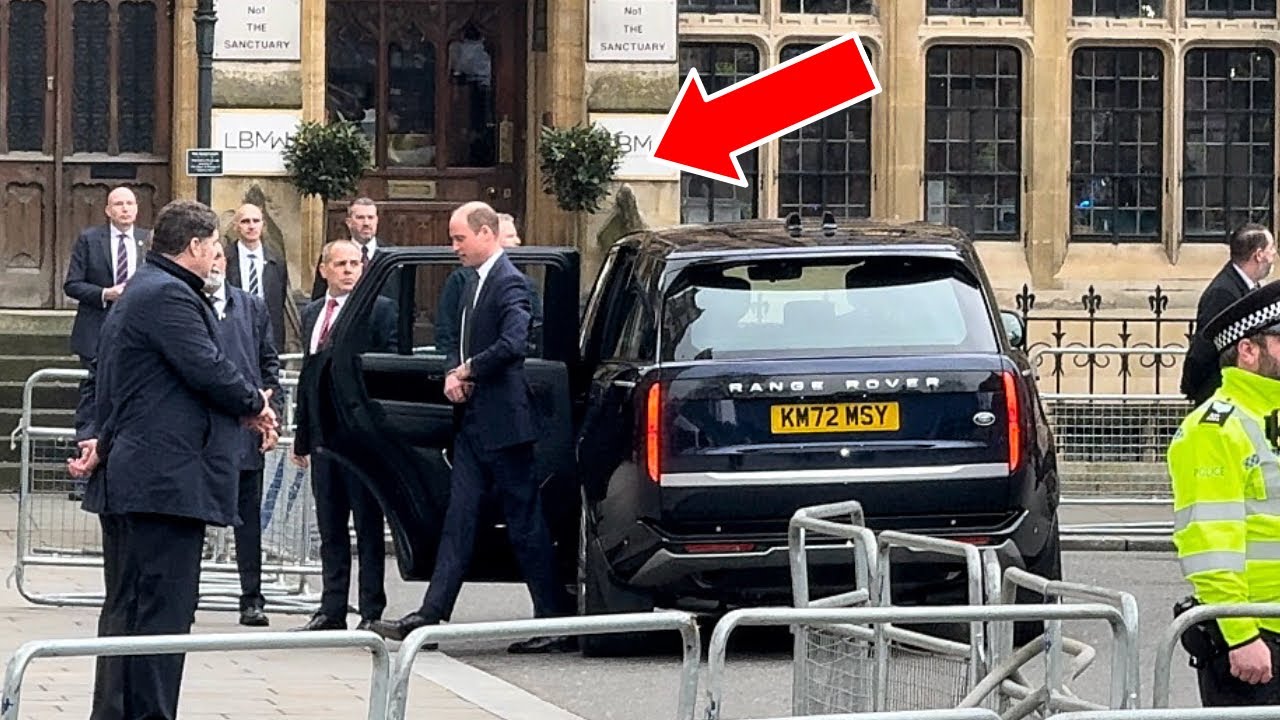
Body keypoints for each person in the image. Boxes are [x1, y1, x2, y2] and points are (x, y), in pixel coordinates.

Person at [69, 198, 277, 720]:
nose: (215, 257)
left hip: (145, 479)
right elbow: (207, 366)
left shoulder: (148, 289)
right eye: (212, 247)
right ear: (194, 246)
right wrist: (255, 404)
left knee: (131, 612)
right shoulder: (168, 296)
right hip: (161, 484)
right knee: (159, 616)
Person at [370, 201, 571, 653]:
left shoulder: (510, 284)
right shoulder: (469, 285)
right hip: (472, 426)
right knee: (457, 521)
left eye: (460, 238)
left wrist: (469, 371)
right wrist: (451, 373)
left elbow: (514, 344)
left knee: (525, 523)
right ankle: (431, 615)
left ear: (486, 233)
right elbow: (453, 342)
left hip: (505, 426)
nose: (454, 246)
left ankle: (553, 619)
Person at [1169, 281, 1280, 706]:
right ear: (1249, 351)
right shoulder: (1214, 430)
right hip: (1258, 640)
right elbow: (1210, 542)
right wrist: (1241, 634)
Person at [292, 239, 397, 632]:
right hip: (323, 438)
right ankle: (331, 608)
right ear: (324, 270)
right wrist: (303, 437)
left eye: (355, 263)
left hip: (361, 439)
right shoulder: (312, 313)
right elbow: (308, 377)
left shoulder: (379, 310)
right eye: (341, 264)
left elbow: (386, 369)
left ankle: (371, 610)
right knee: (330, 526)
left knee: (368, 526)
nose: (349, 270)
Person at [204, 242, 284, 627]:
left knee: (247, 520)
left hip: (245, 430)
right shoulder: (187, 304)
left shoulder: (251, 306)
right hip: (201, 433)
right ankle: (185, 595)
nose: (214, 264)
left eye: (220, 257)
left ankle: (252, 597)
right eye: (210, 256)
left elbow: (269, 364)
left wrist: (273, 414)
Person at [1181, 223, 1275, 405]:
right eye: (1271, 249)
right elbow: (1205, 348)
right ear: (1259, 254)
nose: (1274, 256)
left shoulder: (1246, 286)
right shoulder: (1224, 292)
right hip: (1219, 392)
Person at [64, 186, 152, 366]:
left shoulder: (149, 240)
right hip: (96, 329)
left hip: (137, 329)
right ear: (108, 211)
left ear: (136, 208)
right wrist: (105, 293)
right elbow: (72, 284)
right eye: (119, 204)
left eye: (130, 203)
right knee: (93, 388)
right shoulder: (89, 239)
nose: (125, 209)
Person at [436, 212, 541, 355]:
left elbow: (534, 330)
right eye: (510, 236)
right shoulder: (461, 279)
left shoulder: (524, 282)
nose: (518, 241)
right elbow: (446, 330)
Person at [224, 203, 292, 355]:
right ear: (236, 226)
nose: (251, 226)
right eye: (245, 221)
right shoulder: (225, 259)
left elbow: (279, 300)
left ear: (263, 224)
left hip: (268, 333)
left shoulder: (277, 260)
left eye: (256, 221)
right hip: (235, 331)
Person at [309, 197, 396, 300]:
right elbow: (319, 298)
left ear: (377, 220)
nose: (366, 223)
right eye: (360, 217)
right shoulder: (333, 253)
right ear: (349, 222)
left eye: (370, 217)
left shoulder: (392, 256)